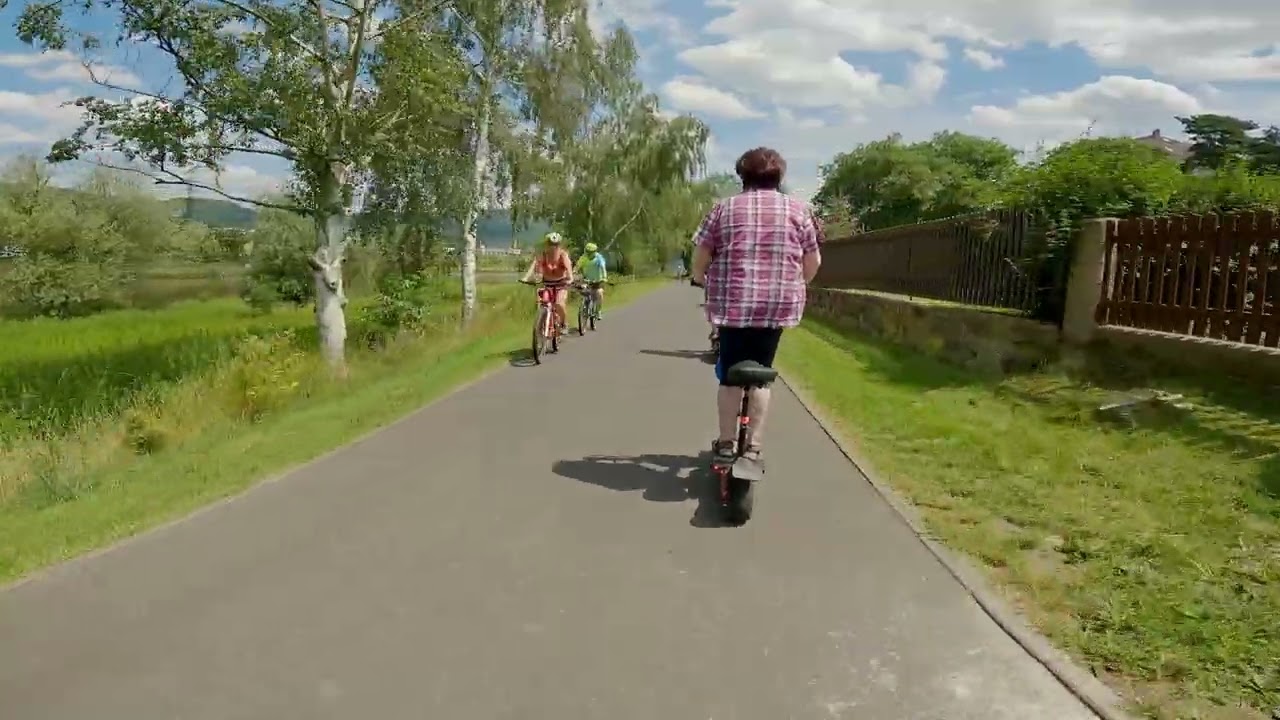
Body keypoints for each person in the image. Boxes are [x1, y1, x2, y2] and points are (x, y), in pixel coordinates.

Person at [689, 147, 823, 466]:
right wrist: (795, 283)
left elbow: (702, 255)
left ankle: (725, 443)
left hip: (732, 305)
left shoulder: (723, 209)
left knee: (731, 375)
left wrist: (699, 277)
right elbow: (813, 260)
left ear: (743, 175)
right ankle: (753, 447)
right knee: (761, 374)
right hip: (777, 307)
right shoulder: (798, 210)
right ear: (779, 176)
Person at [521, 231, 574, 331]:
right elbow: (534, 266)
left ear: (559, 245)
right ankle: (541, 325)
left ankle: (564, 323)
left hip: (561, 285)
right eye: (550, 244)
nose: (553, 247)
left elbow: (569, 268)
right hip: (547, 284)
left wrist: (570, 278)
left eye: (556, 244)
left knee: (559, 304)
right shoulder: (543, 255)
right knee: (542, 303)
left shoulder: (563, 255)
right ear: (547, 244)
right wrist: (526, 277)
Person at [575, 242, 608, 319]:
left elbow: (603, 268)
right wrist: (574, 272)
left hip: (598, 280)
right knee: (585, 292)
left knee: (599, 293)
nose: (588, 253)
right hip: (586, 280)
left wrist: (604, 278)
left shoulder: (599, 258)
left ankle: (598, 311)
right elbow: (577, 266)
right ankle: (584, 308)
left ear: (594, 251)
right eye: (587, 251)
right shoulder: (583, 258)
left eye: (590, 252)